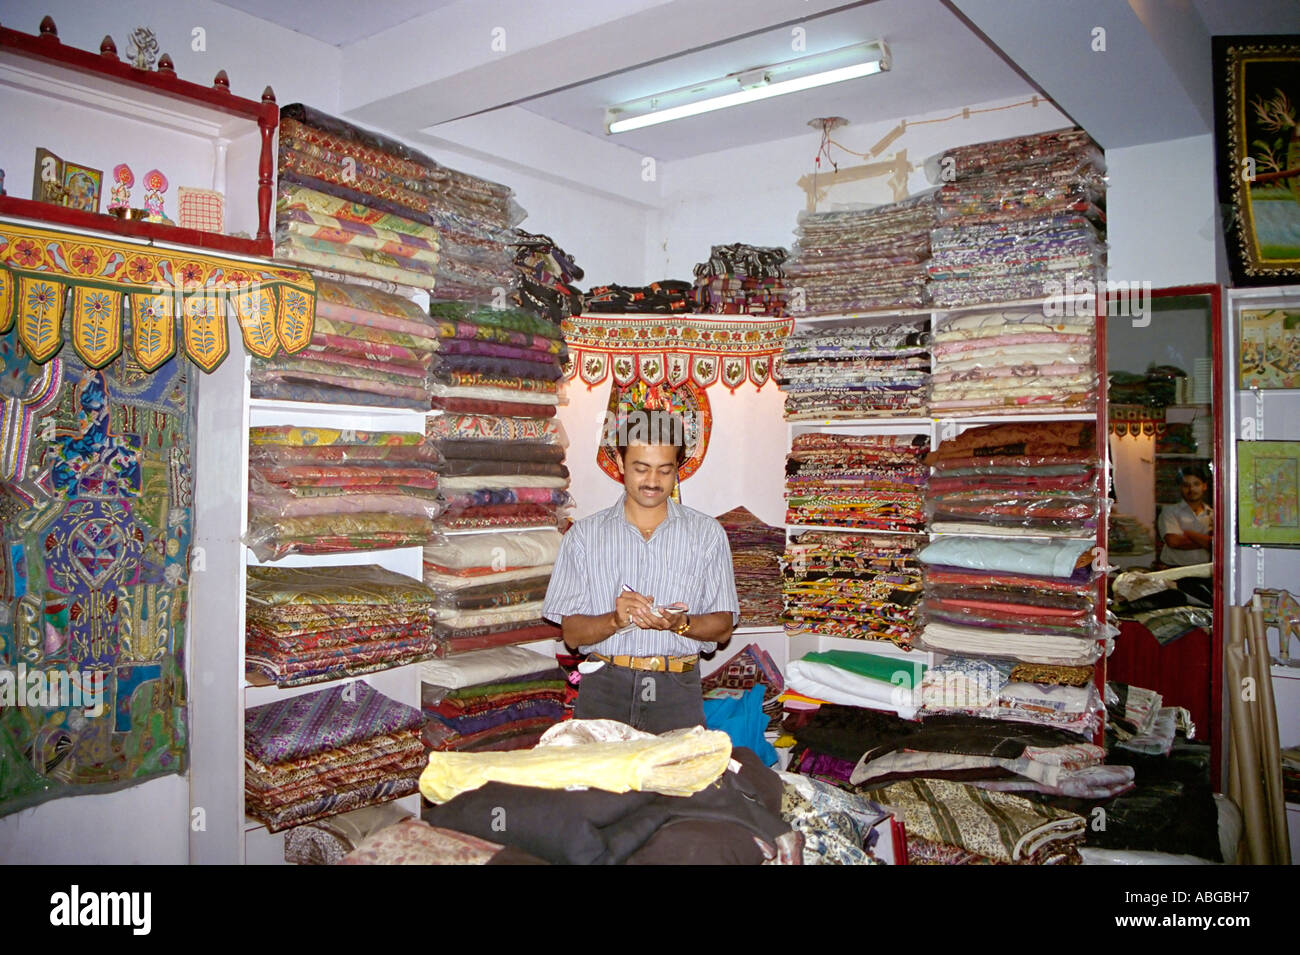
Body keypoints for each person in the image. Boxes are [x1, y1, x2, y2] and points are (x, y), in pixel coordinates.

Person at [542, 410, 738, 733]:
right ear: (620, 464)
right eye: (641, 468)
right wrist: (614, 621)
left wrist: (681, 624)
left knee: (676, 783)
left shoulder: (707, 534)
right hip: (603, 690)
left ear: (677, 469)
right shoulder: (584, 536)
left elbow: (723, 627)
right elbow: (571, 634)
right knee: (600, 784)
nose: (652, 481)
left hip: (677, 692)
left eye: (665, 470)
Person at [1157, 465, 1213, 566]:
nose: (1191, 489)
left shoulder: (1212, 514)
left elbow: (1217, 544)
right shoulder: (1169, 511)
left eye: (1196, 484)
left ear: (1204, 486)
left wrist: (1190, 534)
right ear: (1180, 488)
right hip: (1174, 569)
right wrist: (1205, 541)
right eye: (1186, 485)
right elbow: (1174, 542)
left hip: (1205, 571)